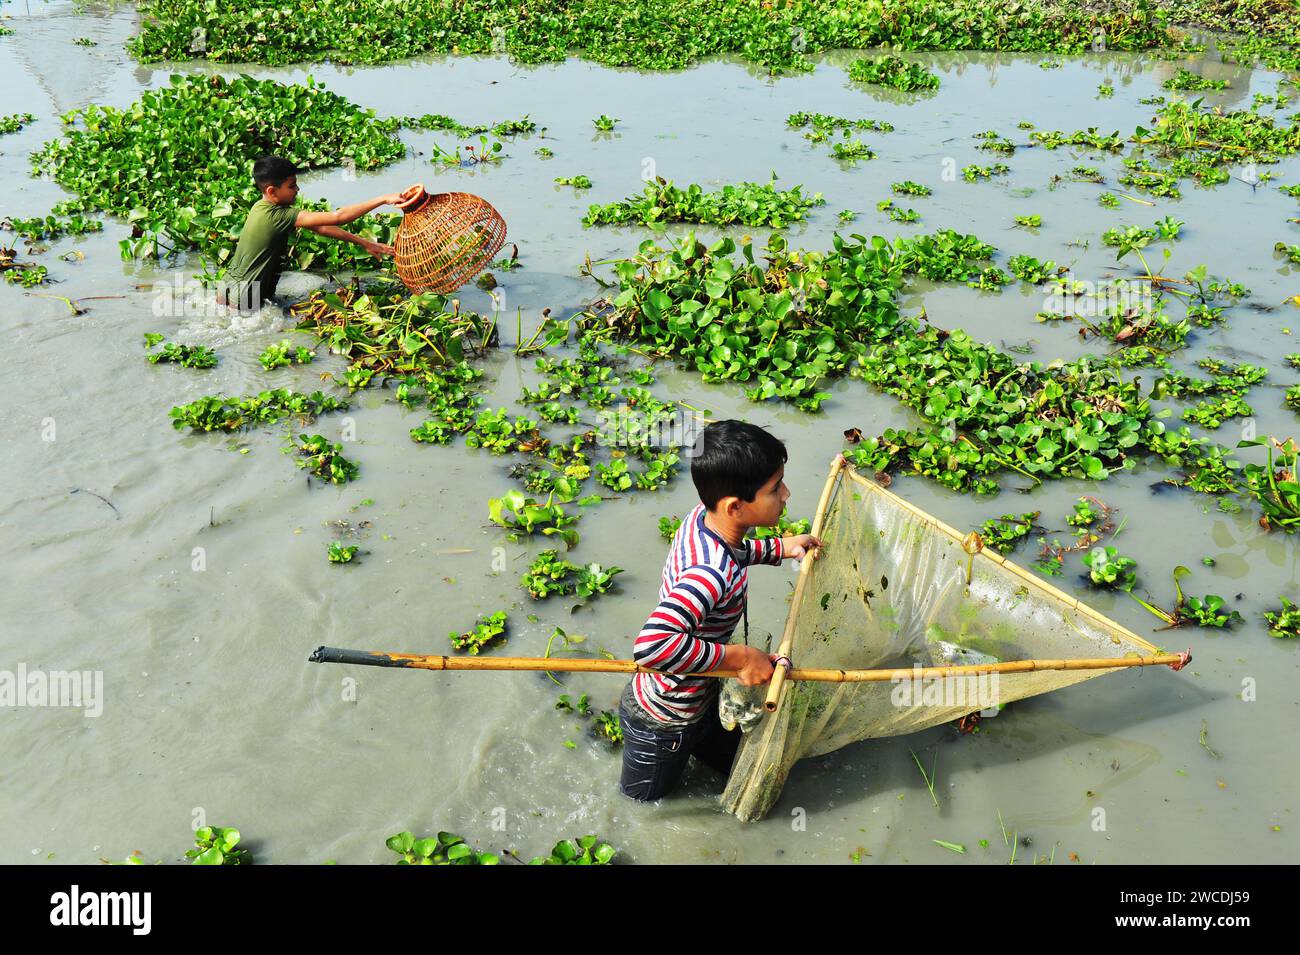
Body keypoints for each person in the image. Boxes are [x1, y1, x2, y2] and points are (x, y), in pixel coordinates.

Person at [618, 419, 827, 802]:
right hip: (665, 721)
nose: (786, 494)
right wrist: (742, 658)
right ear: (735, 506)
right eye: (774, 488)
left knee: (746, 772)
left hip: (703, 697)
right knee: (645, 802)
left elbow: (733, 552)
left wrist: (779, 548)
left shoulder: (703, 518)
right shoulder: (710, 574)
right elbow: (652, 646)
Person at [218, 155, 408, 311]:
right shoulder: (280, 215)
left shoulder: (259, 207)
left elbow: (322, 227)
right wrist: (383, 199)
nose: (297, 190)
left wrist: (364, 243)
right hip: (246, 298)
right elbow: (338, 217)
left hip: (226, 288)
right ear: (272, 191)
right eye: (292, 186)